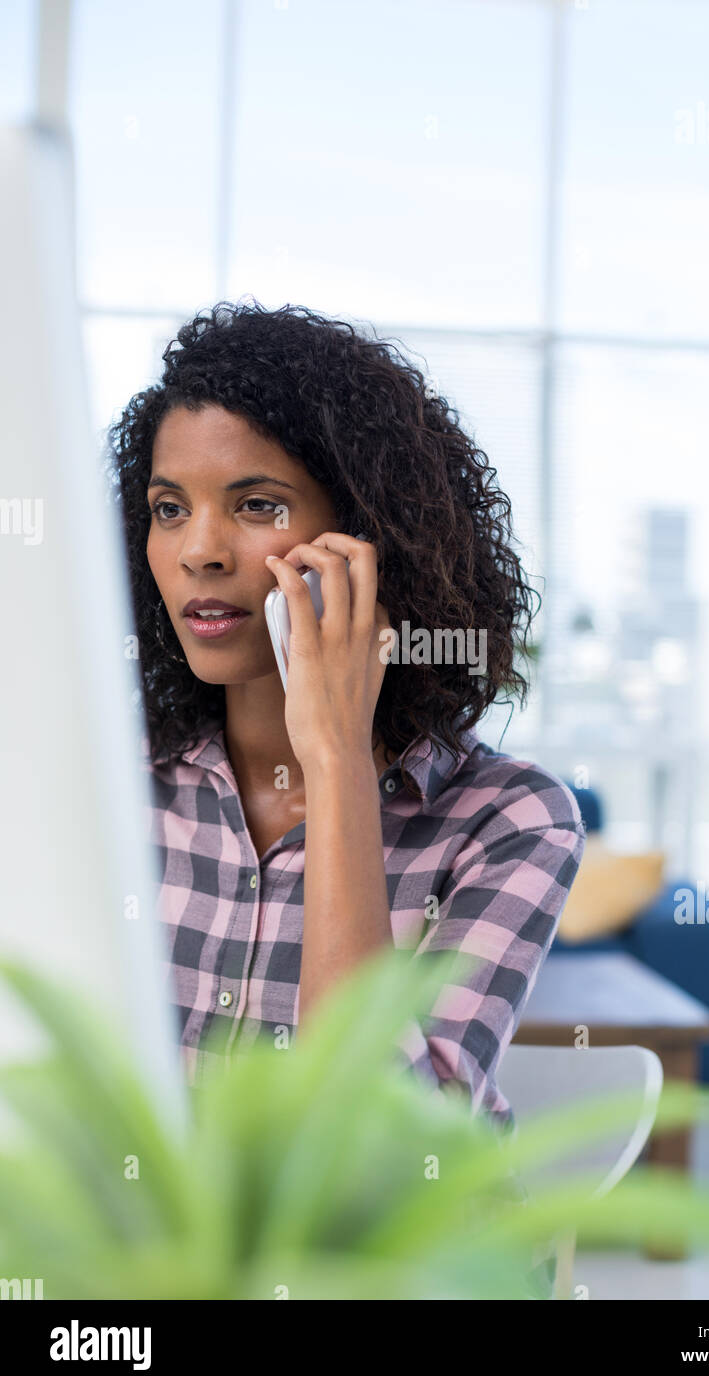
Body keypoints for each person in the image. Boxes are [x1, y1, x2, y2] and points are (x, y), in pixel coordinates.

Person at [107, 299, 585, 1154]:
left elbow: (380, 1144)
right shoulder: (108, 780)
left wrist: (334, 762)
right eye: (170, 507)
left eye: (256, 505)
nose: (199, 551)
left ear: (369, 541)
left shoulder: (509, 822)